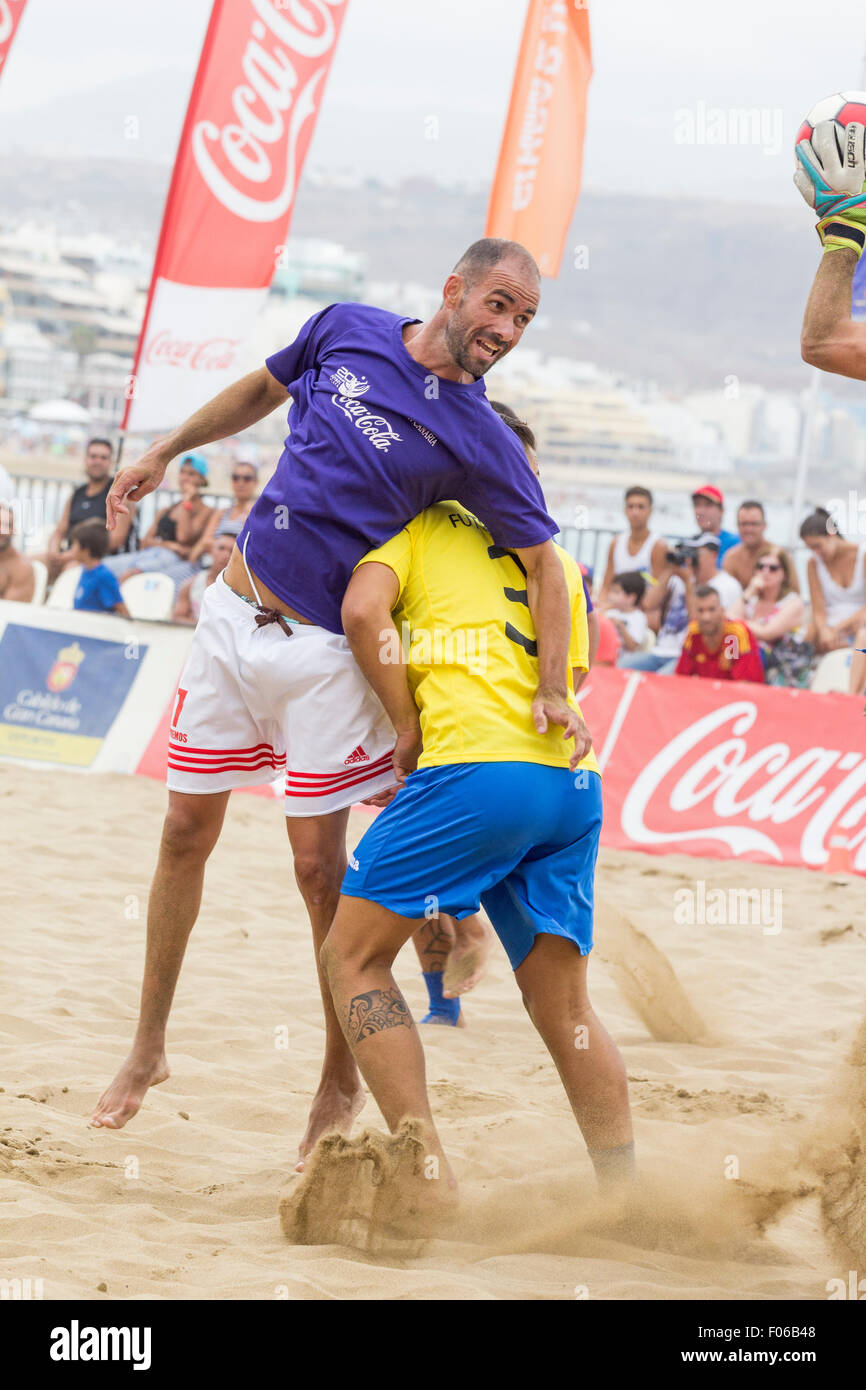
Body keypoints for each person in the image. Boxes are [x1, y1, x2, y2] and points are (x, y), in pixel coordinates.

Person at [91, 239, 577, 1173]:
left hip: (325, 658)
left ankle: (337, 1075)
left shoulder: (476, 434)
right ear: (455, 289)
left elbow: (544, 564)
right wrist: (164, 448)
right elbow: (259, 391)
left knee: (321, 873)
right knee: (184, 834)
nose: (506, 330)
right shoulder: (348, 329)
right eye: (500, 305)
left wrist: (552, 686)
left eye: (523, 320)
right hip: (233, 615)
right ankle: (148, 1048)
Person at [319, 493, 633, 1211]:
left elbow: (362, 614)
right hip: (571, 780)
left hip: (477, 773)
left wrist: (406, 723)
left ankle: (426, 1174)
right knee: (567, 1008)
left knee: (353, 957)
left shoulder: (421, 528)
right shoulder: (561, 563)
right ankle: (627, 1196)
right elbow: (570, 679)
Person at [620, 535, 741, 673]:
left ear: (713, 555)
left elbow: (700, 621)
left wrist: (689, 584)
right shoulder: (678, 579)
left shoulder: (726, 585)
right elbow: (648, 604)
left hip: (690, 654)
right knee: (619, 668)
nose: (690, 559)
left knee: (661, 680)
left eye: (695, 553)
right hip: (661, 650)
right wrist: (669, 570)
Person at [105, 453, 212, 593]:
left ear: (201, 479)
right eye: (182, 472)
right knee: (104, 567)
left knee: (130, 575)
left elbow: (183, 538)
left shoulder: (206, 512)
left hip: (174, 561)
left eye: (191, 474)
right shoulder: (167, 510)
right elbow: (145, 542)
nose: (185, 478)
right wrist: (170, 545)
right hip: (153, 554)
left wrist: (187, 502)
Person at [42, 439, 136, 583]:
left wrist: (72, 555)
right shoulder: (77, 494)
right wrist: (53, 551)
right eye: (93, 456)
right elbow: (60, 531)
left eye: (103, 457)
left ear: (111, 462)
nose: (97, 461)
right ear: (86, 460)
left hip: (100, 558)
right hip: (69, 554)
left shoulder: (119, 494)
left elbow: (115, 540)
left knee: (70, 571)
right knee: (29, 565)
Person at [800, 508, 866, 695]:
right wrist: (824, 631)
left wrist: (837, 629)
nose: (816, 552)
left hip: (857, 623)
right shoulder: (813, 564)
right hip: (831, 625)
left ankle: (853, 693)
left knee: (862, 633)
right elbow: (818, 608)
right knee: (808, 635)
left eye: (817, 546)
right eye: (810, 548)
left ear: (831, 535)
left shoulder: (862, 555)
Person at [728, 546, 810, 687]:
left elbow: (767, 633)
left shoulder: (792, 602)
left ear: (784, 573)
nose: (765, 572)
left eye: (773, 568)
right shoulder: (752, 599)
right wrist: (749, 591)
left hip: (780, 666)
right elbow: (727, 621)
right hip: (749, 659)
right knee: (729, 643)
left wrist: (738, 622)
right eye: (760, 567)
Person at [675, 587, 765, 682]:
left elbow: (746, 683)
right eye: (700, 610)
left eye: (711, 609)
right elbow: (681, 677)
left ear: (722, 611)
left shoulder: (733, 635)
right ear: (694, 613)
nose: (706, 617)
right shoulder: (693, 633)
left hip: (734, 694)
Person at [597, 486, 667, 602]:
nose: (635, 512)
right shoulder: (616, 542)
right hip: (615, 608)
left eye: (641, 507)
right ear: (625, 510)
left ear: (650, 511)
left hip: (644, 610)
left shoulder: (658, 545)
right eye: (631, 506)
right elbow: (606, 586)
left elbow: (657, 592)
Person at [188, 459, 260, 565]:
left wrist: (217, 546)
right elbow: (204, 541)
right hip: (208, 564)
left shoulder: (258, 513)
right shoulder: (223, 511)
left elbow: (253, 547)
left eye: (247, 478)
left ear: (255, 482)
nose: (240, 483)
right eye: (236, 478)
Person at [172, 532, 235, 626]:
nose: (226, 555)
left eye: (232, 551)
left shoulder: (241, 590)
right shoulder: (190, 585)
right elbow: (177, 618)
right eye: (221, 548)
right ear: (211, 551)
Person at [69, 521, 130, 617]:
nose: (71, 548)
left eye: (75, 544)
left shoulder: (104, 576)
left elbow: (124, 613)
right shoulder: (85, 570)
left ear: (86, 550)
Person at [722, 500, 774, 589]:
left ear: (764, 526)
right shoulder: (731, 558)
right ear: (737, 526)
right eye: (744, 524)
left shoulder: (778, 556)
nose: (748, 529)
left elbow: (793, 594)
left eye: (754, 524)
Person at [598, 571, 647, 655]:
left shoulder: (638, 617)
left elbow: (633, 647)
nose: (610, 595)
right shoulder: (610, 612)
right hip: (605, 656)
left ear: (631, 598)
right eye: (611, 591)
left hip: (624, 659)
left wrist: (621, 627)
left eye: (616, 592)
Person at [691, 485, 738, 563]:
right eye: (697, 505)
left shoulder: (736, 544)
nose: (701, 511)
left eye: (708, 505)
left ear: (721, 511)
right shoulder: (690, 544)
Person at [0, 504, 35, 602]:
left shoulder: (21, 568)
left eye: (7, 525)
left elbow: (10, 613)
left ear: (13, 530)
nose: (2, 530)